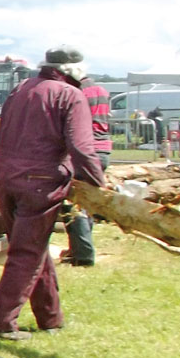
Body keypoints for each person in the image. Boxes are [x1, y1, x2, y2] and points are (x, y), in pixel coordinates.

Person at [0, 45, 107, 341]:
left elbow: (0, 133)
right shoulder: (70, 95)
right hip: (41, 182)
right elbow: (81, 147)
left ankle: (50, 317)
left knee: (33, 248)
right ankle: (0, 322)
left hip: (5, 177)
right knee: (28, 252)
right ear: (74, 71)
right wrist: (100, 188)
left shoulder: (21, 89)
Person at [63, 74, 112, 265]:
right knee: (87, 201)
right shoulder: (101, 91)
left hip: (84, 151)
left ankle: (83, 255)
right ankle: (79, 248)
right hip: (103, 150)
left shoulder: (76, 92)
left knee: (73, 204)